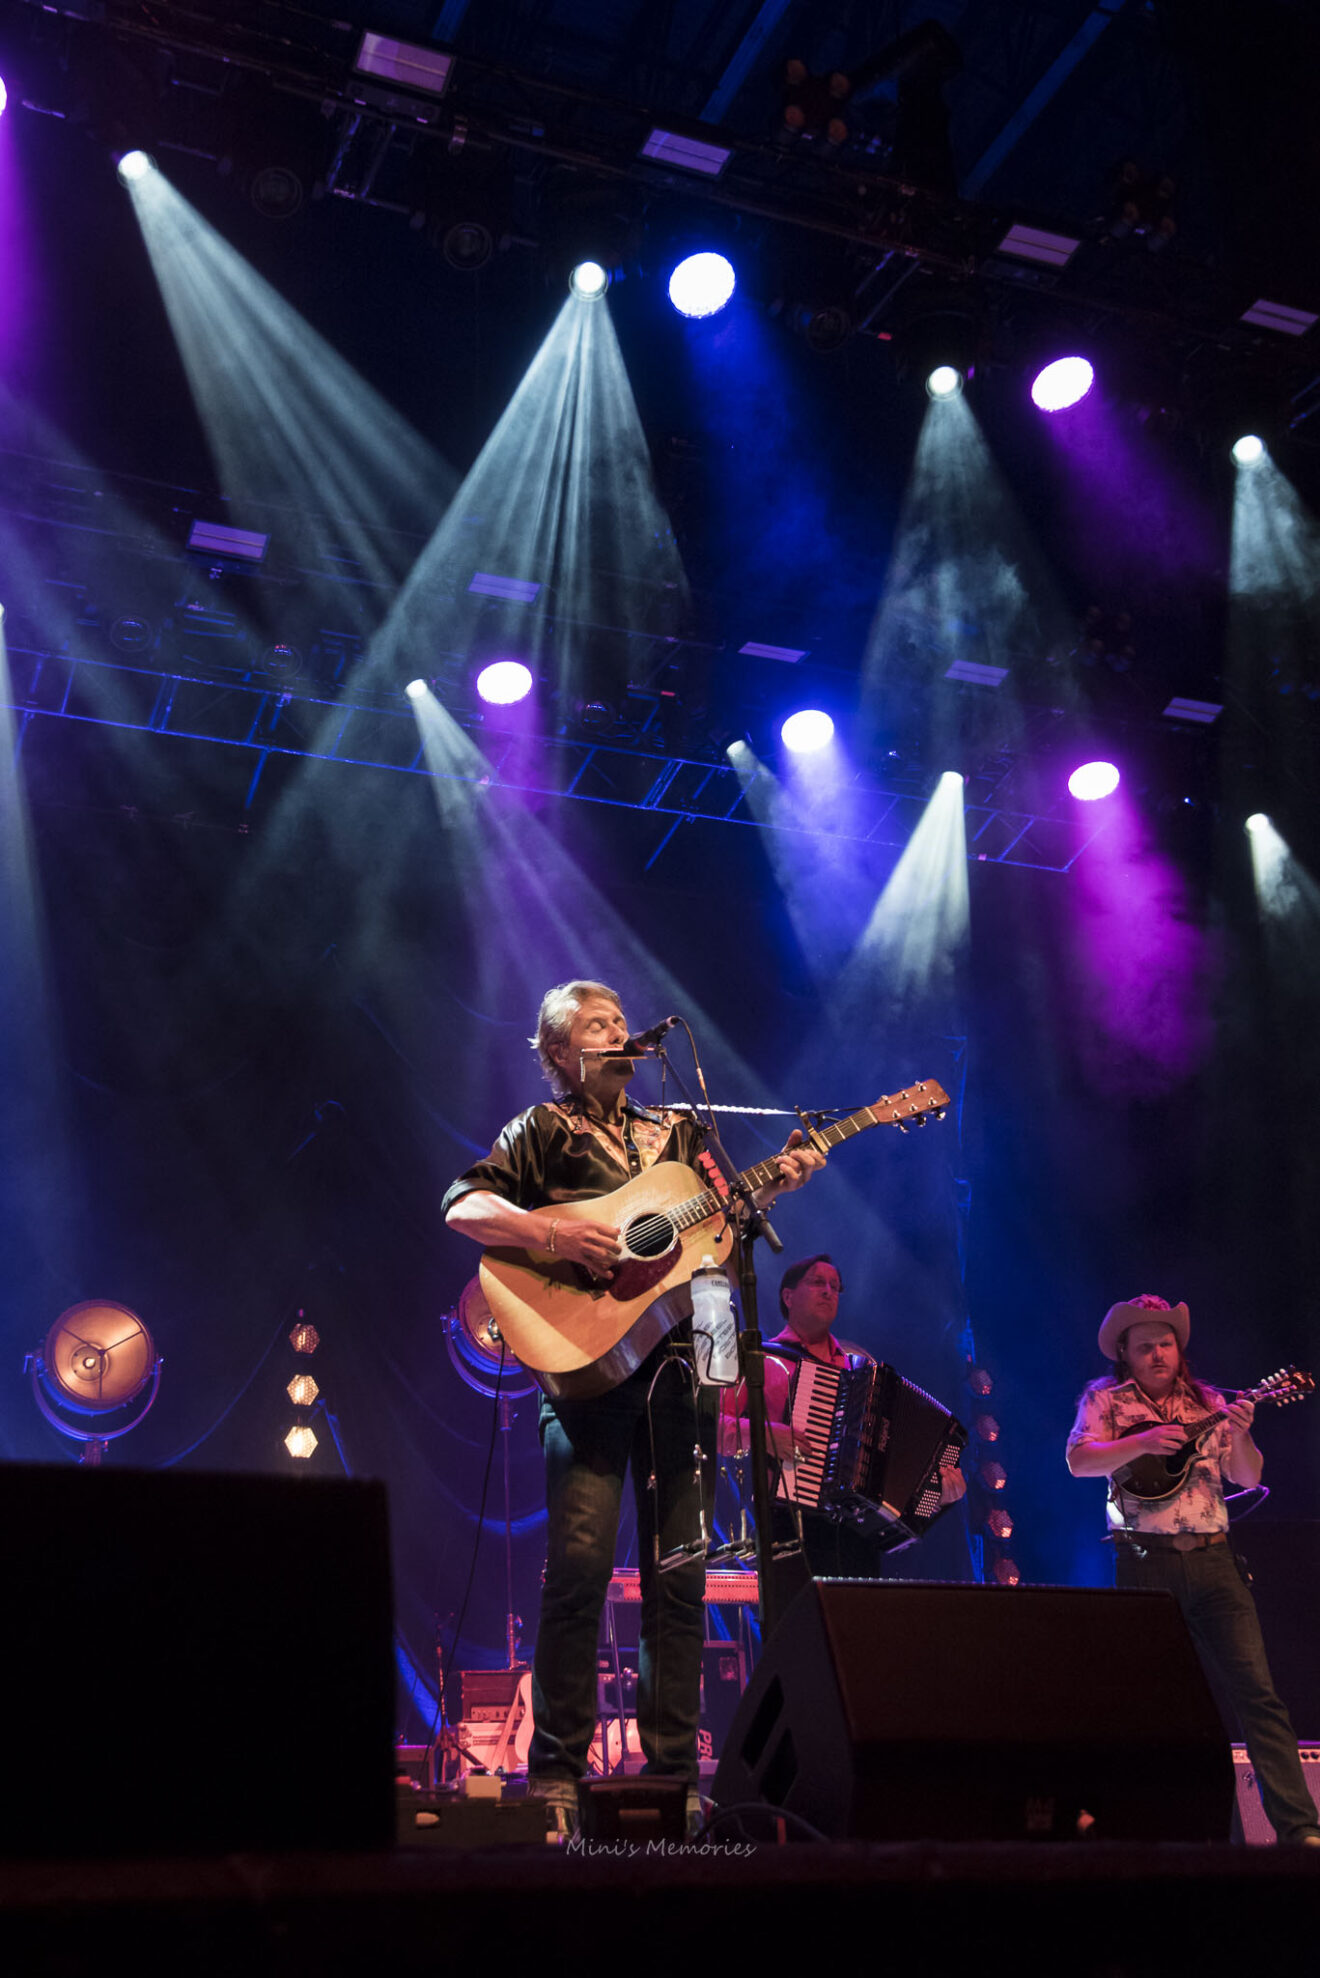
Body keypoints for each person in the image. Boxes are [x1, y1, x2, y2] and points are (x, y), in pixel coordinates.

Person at [442, 980, 823, 1834]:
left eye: (621, 1019)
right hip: (582, 1385)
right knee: (577, 1579)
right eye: (597, 1024)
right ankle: (557, 1778)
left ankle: (677, 1775)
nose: (619, 1031)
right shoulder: (540, 1131)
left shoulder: (678, 1133)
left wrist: (782, 1181)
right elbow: (462, 1205)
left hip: (680, 1381)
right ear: (558, 1054)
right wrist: (551, 1233)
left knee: (678, 1583)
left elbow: (716, 1252)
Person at [1066, 1293, 1320, 1846]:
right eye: (1145, 1347)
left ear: (1179, 1350)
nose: (1157, 1354)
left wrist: (1245, 1432)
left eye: (1166, 1344)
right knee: (1151, 1704)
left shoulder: (1210, 1402)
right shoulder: (1105, 1401)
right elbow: (1079, 1461)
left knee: (1259, 1695)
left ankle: (1301, 1831)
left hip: (1215, 1561)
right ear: (1126, 1356)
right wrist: (1138, 1441)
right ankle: (1163, 1831)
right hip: (1143, 1565)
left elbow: (1248, 1478)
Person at [719, 1252, 966, 1580]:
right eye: (817, 1282)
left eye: (835, 1286)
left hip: (857, 1537)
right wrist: (765, 1433)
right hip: (787, 1528)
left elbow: (890, 1463)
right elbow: (715, 1428)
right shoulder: (760, 1359)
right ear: (788, 1296)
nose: (828, 1291)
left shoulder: (860, 1366)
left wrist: (935, 1497)